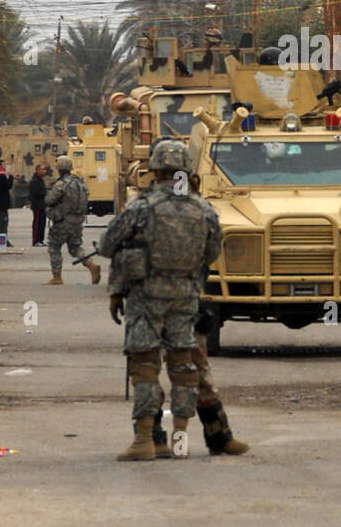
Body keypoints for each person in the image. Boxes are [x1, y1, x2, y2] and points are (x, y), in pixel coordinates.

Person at [98, 138, 248, 462]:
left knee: (145, 366)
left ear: (154, 169)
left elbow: (107, 245)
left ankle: (146, 440)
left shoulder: (140, 206)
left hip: (145, 298)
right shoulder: (203, 208)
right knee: (185, 367)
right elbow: (213, 252)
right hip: (185, 297)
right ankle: (181, 437)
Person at [44, 154, 100, 286]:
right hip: (78, 221)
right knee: (75, 247)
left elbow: (50, 200)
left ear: (60, 168)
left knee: (54, 246)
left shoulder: (61, 184)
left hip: (63, 221)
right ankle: (91, 264)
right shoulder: (81, 183)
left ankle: (57, 277)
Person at [29, 162, 47, 247]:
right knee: (37, 224)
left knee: (42, 224)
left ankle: (41, 239)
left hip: (42, 205)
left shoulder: (40, 180)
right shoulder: (34, 181)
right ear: (38, 170)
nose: (45, 171)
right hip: (37, 206)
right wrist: (44, 193)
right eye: (43, 169)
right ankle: (36, 240)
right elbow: (35, 192)